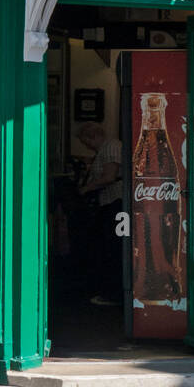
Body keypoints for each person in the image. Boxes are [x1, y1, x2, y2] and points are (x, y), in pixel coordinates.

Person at [78, 122, 124, 306]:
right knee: (106, 246)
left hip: (116, 203)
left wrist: (86, 188)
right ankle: (109, 291)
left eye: (86, 141)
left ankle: (114, 294)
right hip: (108, 203)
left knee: (113, 248)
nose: (86, 146)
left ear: (93, 136)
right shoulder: (105, 149)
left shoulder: (111, 146)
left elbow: (109, 176)